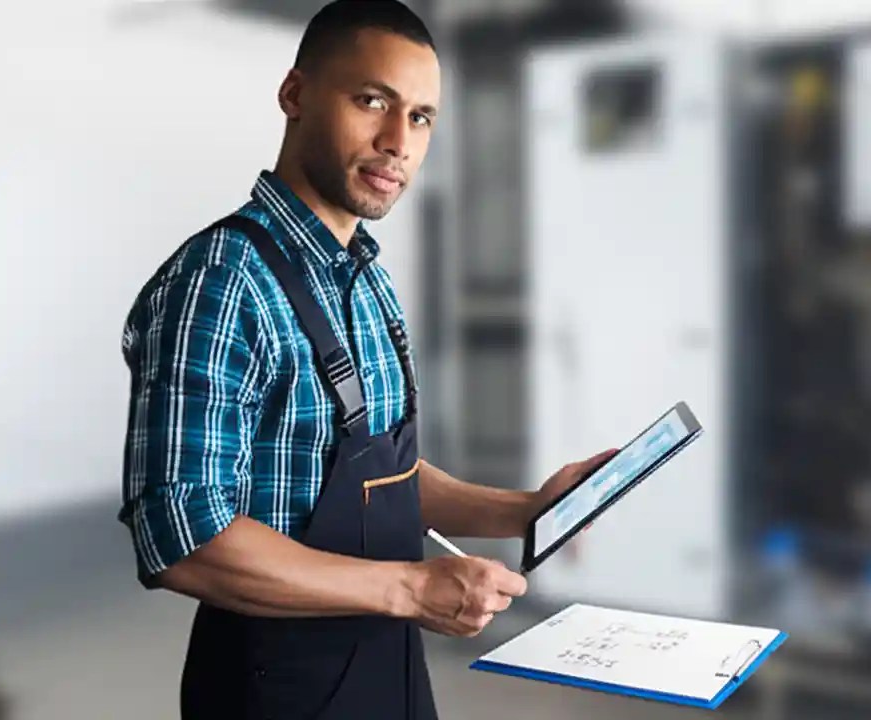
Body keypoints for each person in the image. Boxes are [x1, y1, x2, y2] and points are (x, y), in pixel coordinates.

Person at [117, 2, 615, 717]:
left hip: (387, 666)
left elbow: (381, 474)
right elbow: (181, 536)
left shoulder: (365, 276)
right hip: (276, 689)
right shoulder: (221, 283)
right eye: (371, 100)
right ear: (294, 94)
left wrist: (527, 510)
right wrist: (411, 587)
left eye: (420, 118)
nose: (397, 142)